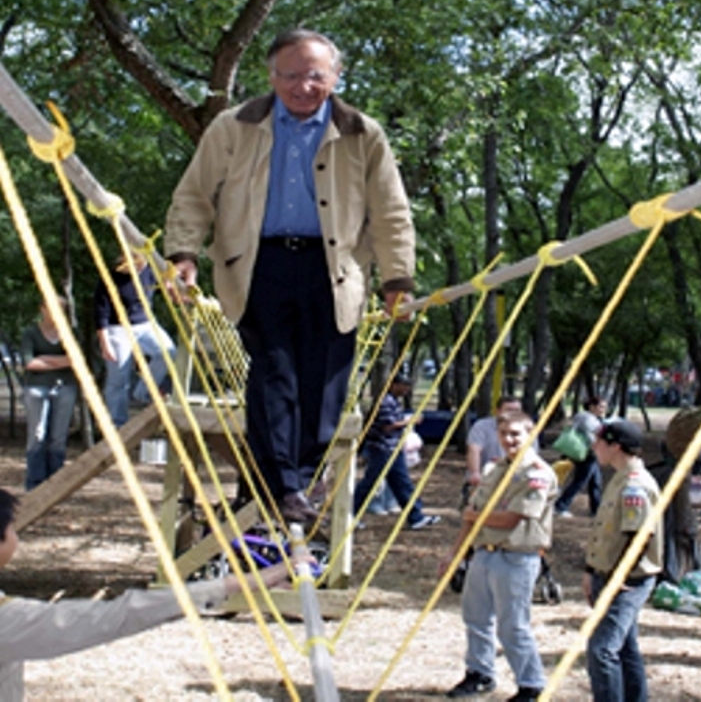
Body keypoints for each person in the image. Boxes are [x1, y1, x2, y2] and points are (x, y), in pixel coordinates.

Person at [164, 29, 415, 525]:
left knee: (326, 382)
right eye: (292, 75)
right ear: (272, 77)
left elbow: (391, 212)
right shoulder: (234, 126)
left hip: (335, 268)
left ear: (336, 77)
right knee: (274, 370)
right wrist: (183, 252)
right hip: (259, 263)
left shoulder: (363, 134)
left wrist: (397, 280)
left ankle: (302, 473)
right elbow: (193, 194)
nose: (304, 86)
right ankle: (282, 481)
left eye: (316, 75)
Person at [0, 488, 302, 701]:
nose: (18, 534)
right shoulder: (8, 620)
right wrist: (249, 581)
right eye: (13, 527)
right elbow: (123, 613)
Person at [440, 410, 557, 701]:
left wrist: (476, 516)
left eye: (516, 434)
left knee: (513, 625)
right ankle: (480, 673)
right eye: (504, 434)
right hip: (484, 553)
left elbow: (512, 518)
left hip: (516, 557)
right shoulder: (495, 469)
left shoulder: (536, 473)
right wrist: (455, 553)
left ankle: (531, 684)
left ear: (530, 435)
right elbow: (470, 515)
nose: (509, 439)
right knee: (475, 617)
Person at [582, 419, 663, 702]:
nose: (594, 448)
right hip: (612, 574)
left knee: (601, 649)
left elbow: (638, 537)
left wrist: (618, 577)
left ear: (615, 446)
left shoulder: (633, 485)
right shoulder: (618, 478)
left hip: (628, 580)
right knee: (626, 647)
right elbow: (607, 535)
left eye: (599, 442)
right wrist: (591, 570)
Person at [94, 253, 176, 428]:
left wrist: (173, 289)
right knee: (119, 377)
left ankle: (144, 392)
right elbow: (101, 312)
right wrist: (105, 342)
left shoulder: (150, 270)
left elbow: (167, 284)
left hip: (146, 324)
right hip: (117, 329)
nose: (137, 270)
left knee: (168, 352)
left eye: (140, 266)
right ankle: (117, 424)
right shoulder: (112, 276)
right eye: (134, 266)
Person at [354, 372, 439, 530]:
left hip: (393, 448)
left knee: (402, 483)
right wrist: (409, 421)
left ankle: (416, 517)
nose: (406, 389)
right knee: (369, 484)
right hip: (382, 449)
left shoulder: (393, 401)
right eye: (404, 386)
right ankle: (350, 515)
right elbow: (387, 426)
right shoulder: (385, 402)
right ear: (394, 385)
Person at [20, 298, 79, 491]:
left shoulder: (70, 333)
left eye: (60, 309)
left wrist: (44, 358)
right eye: (51, 308)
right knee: (37, 434)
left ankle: (56, 485)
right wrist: (61, 360)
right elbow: (29, 363)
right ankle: (35, 483)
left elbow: (76, 359)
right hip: (36, 388)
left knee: (58, 436)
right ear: (42, 309)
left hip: (65, 387)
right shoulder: (30, 333)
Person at [555, 396, 607, 518]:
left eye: (604, 406)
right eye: (601, 406)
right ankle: (560, 506)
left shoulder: (589, 417)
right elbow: (592, 436)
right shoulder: (588, 418)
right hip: (586, 454)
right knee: (580, 482)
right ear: (592, 407)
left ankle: (596, 509)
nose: (603, 409)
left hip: (590, 454)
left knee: (595, 482)